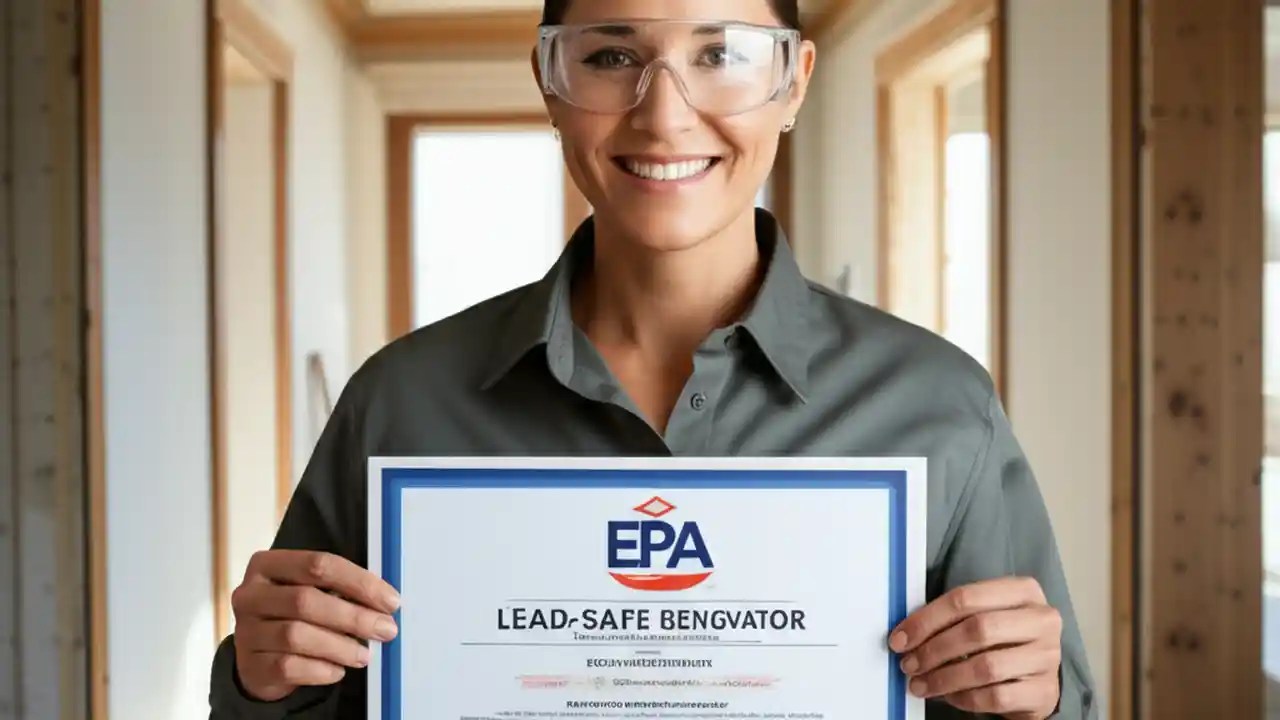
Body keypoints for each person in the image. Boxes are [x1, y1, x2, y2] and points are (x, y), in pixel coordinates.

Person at [208, 0, 1096, 717]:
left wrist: (1039, 698)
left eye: (722, 54)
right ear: (551, 83)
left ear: (793, 83)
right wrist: (260, 685)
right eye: (611, 57)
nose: (665, 114)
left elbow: (1044, 707)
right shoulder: (400, 400)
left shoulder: (939, 405)